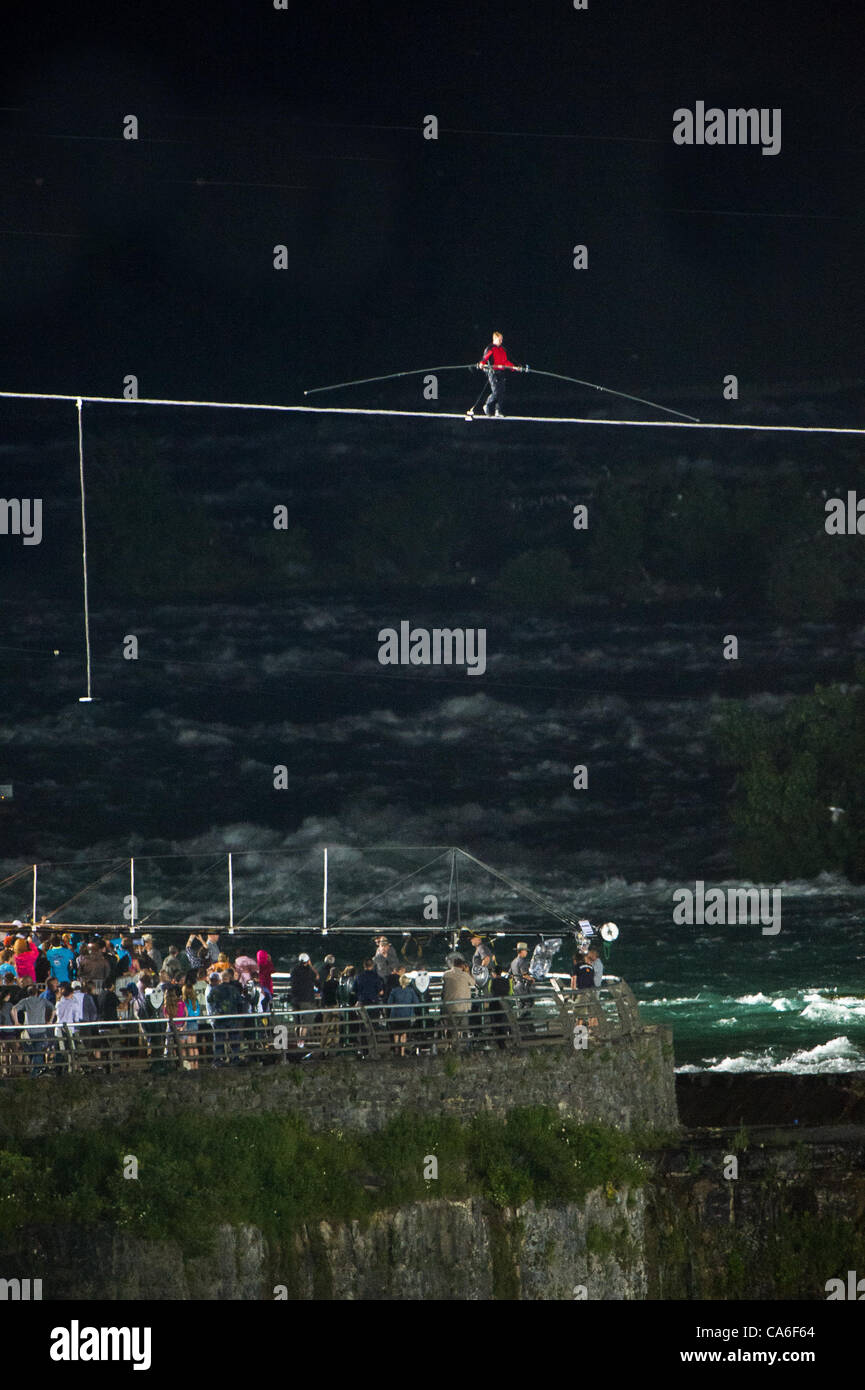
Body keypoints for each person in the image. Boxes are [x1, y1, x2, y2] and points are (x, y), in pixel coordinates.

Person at [477, 331, 523, 417]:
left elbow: (506, 362)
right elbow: (485, 358)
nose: (501, 341)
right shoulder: (491, 348)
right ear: (495, 339)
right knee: (496, 392)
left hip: (501, 372)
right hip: (493, 372)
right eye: (499, 339)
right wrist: (481, 363)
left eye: (502, 339)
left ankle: (498, 410)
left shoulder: (502, 349)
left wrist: (514, 367)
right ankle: (487, 405)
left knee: (501, 392)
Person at [440, 957, 473, 1048]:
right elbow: (473, 982)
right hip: (462, 1006)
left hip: (449, 1006)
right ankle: (460, 1046)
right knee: (462, 1027)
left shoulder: (446, 974)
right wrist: (467, 971)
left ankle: (450, 1045)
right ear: (462, 965)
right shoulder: (465, 975)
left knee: (451, 1027)